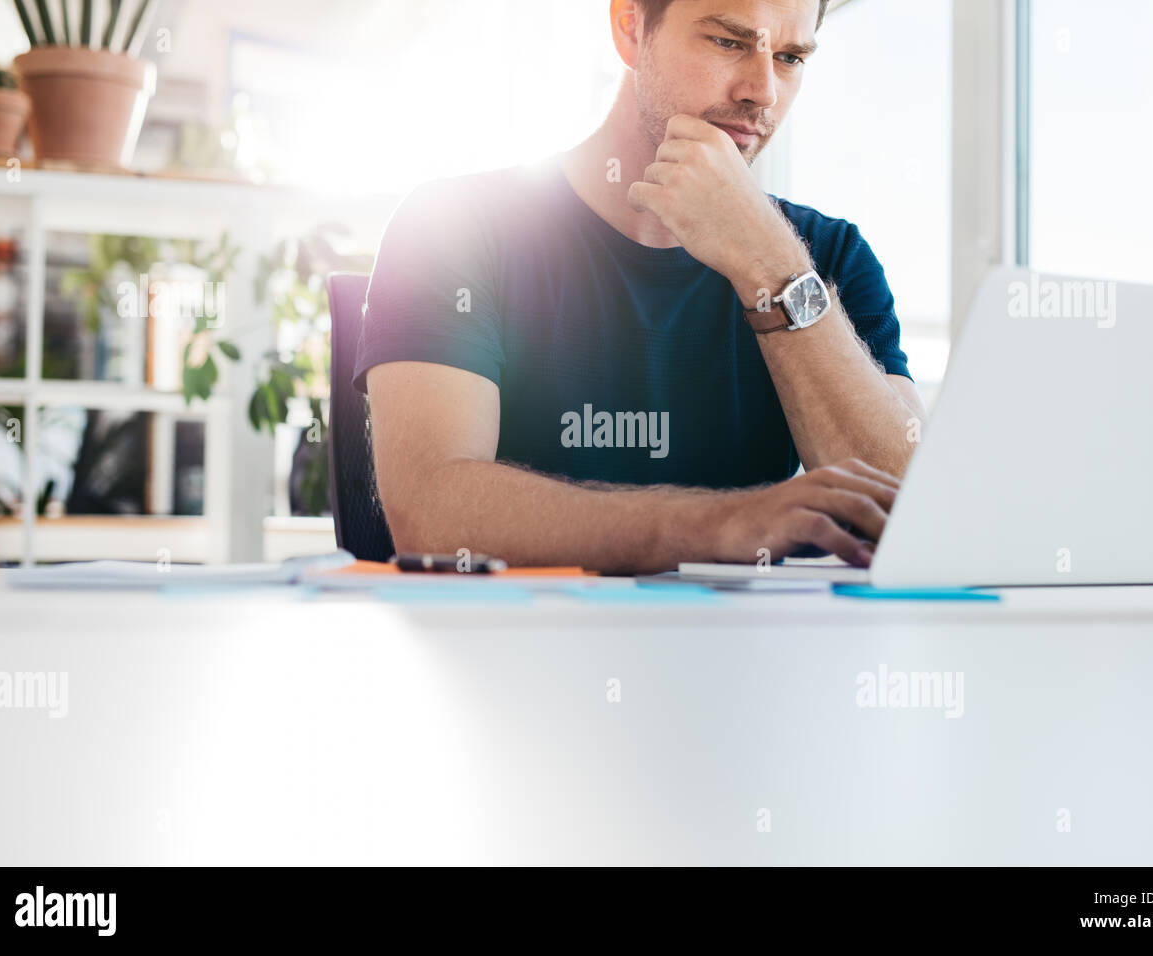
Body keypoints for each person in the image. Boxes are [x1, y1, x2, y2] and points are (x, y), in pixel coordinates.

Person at [356, 0, 926, 574]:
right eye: (728, 43)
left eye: (789, 57)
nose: (763, 91)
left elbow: (909, 514)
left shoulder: (826, 258)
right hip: (517, 650)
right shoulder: (452, 226)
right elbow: (430, 514)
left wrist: (770, 265)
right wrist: (724, 524)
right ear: (630, 27)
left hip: (748, 655)